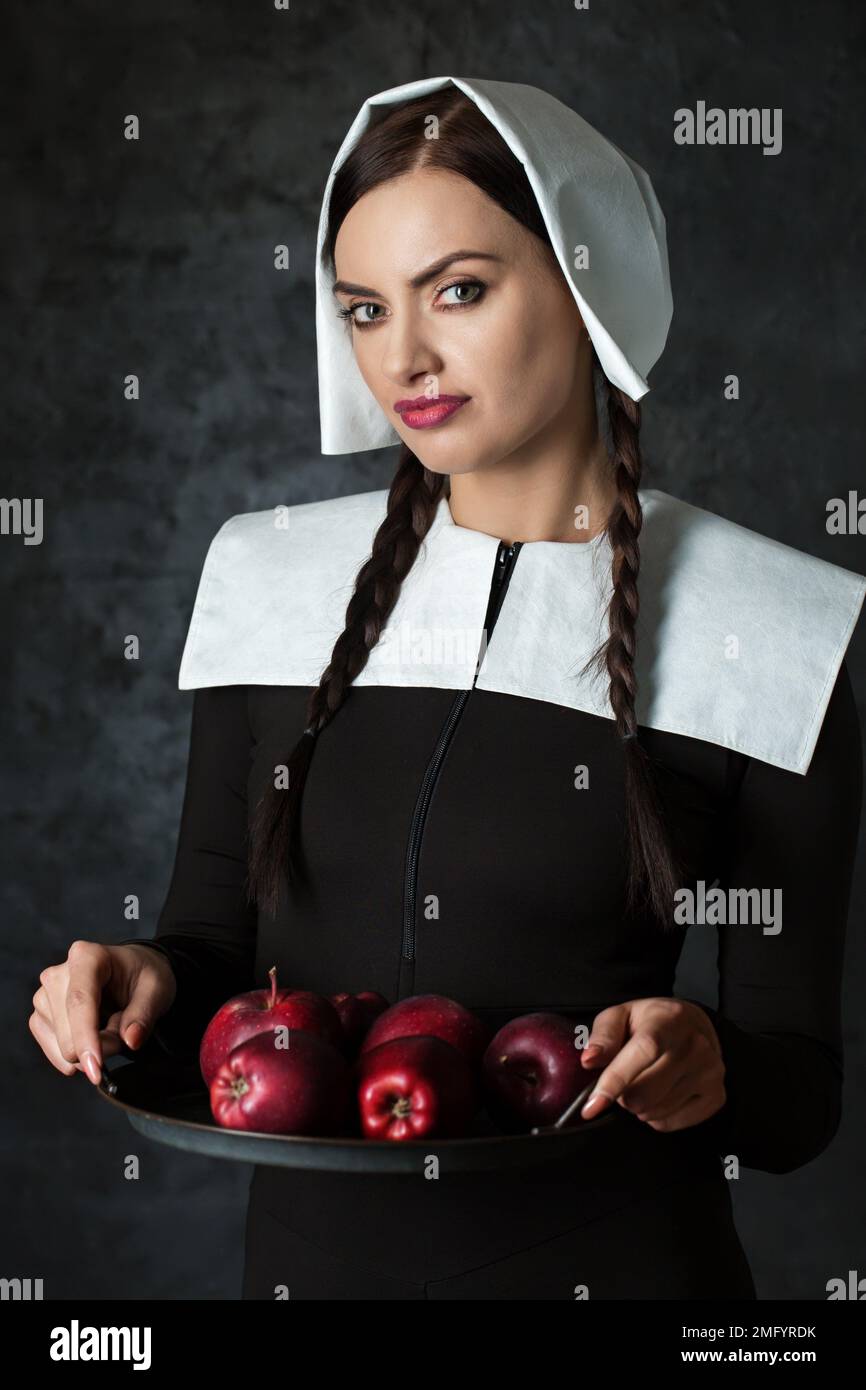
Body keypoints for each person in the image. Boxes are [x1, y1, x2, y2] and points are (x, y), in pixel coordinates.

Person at [30, 77, 865, 1300]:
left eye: (457, 290)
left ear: (588, 289)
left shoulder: (777, 628)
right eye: (364, 309)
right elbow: (210, 945)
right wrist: (138, 983)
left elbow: (798, 1100)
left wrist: (709, 1063)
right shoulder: (266, 584)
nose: (402, 357)